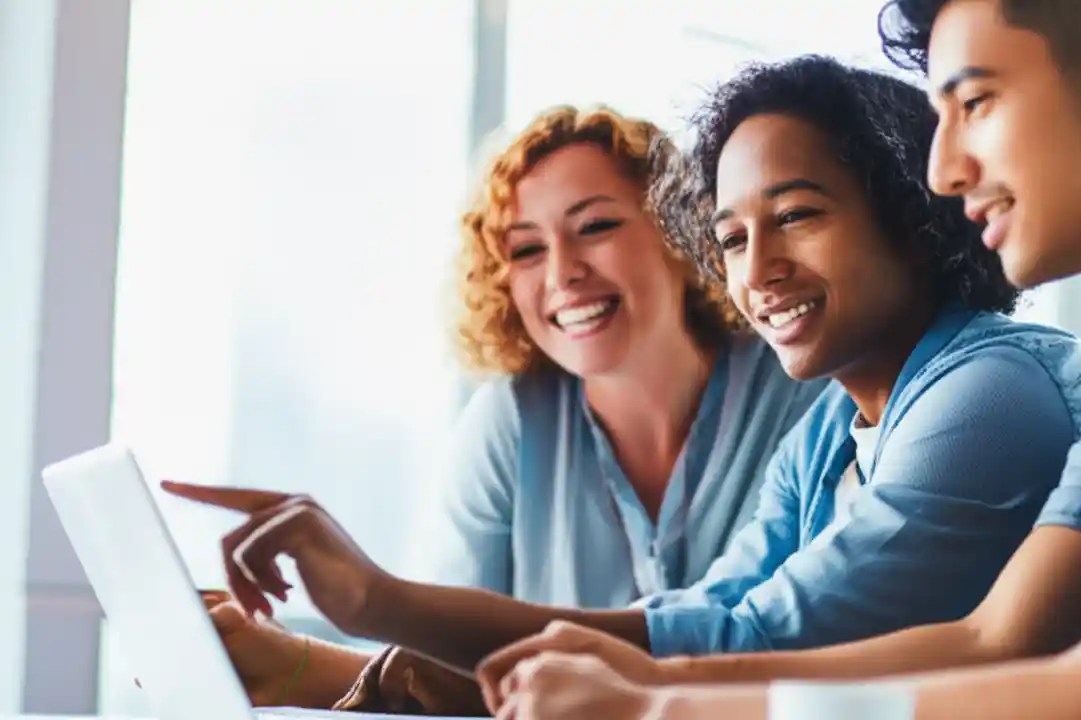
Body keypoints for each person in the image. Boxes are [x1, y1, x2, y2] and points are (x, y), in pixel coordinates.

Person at [164, 56, 1081, 713]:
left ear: (914, 216)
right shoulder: (827, 430)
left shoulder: (993, 391)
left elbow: (774, 634)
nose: (758, 268)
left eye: (797, 216)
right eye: (732, 237)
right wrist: (341, 643)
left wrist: (378, 603)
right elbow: (705, 615)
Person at [481, 1, 1081, 718]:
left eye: (976, 102)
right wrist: (654, 685)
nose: (942, 172)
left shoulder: (1001, 384)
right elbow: (996, 640)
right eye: (730, 238)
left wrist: (660, 706)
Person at [196, 104, 827, 712]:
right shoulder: (511, 422)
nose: (562, 273)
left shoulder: (805, 391)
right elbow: (439, 676)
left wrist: (310, 658)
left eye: (595, 227)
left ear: (679, 231)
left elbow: (788, 649)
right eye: (526, 250)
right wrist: (293, 662)